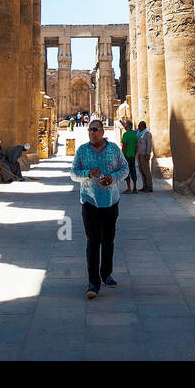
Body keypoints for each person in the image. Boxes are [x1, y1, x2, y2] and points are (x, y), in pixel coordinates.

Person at [70, 118, 128, 298]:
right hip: (90, 201)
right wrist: (87, 173)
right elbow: (73, 173)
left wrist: (113, 178)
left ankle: (106, 274)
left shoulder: (113, 149)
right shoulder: (81, 150)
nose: (92, 133)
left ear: (103, 132)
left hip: (111, 201)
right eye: (90, 130)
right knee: (93, 241)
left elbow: (125, 168)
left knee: (108, 240)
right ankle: (93, 283)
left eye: (95, 129)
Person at [120, 120, 138, 193]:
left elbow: (124, 146)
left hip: (127, 155)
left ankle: (129, 188)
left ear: (127, 126)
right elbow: (136, 146)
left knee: (127, 171)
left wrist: (122, 155)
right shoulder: (134, 134)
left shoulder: (126, 134)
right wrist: (134, 153)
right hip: (132, 155)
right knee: (133, 170)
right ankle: (135, 188)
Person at [135, 120, 153, 192]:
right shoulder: (138, 132)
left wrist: (148, 153)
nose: (138, 127)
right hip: (139, 154)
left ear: (143, 126)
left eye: (139, 126)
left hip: (144, 154)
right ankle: (144, 185)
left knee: (146, 171)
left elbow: (149, 144)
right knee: (141, 170)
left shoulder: (147, 133)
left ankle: (149, 187)